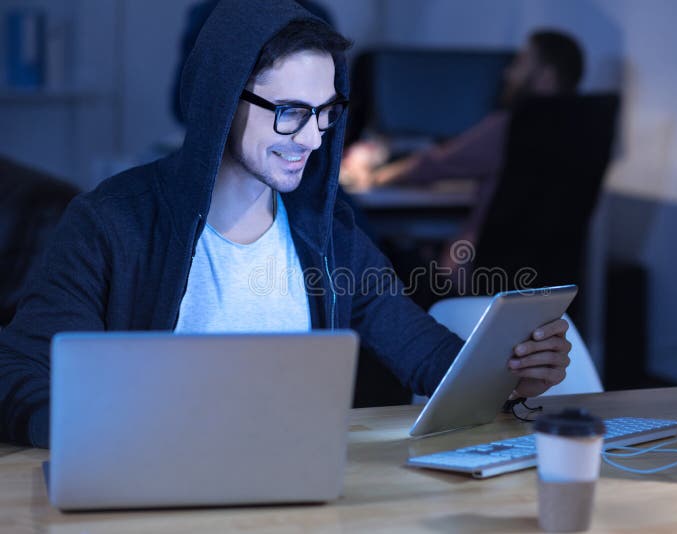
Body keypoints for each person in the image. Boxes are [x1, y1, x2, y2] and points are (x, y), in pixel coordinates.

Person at [0, 0, 572, 448]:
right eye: (291, 112)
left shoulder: (329, 235)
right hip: (149, 489)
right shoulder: (110, 224)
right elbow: (20, 371)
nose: (313, 139)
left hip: (299, 495)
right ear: (223, 100)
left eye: (325, 113)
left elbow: (424, 354)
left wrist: (510, 376)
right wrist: (95, 437)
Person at [341, 30, 584, 244]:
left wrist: (376, 177)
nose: (508, 73)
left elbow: (437, 163)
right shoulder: (579, 130)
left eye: (520, 64)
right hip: (543, 270)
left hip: (482, 267)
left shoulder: (512, 127)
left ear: (546, 77)